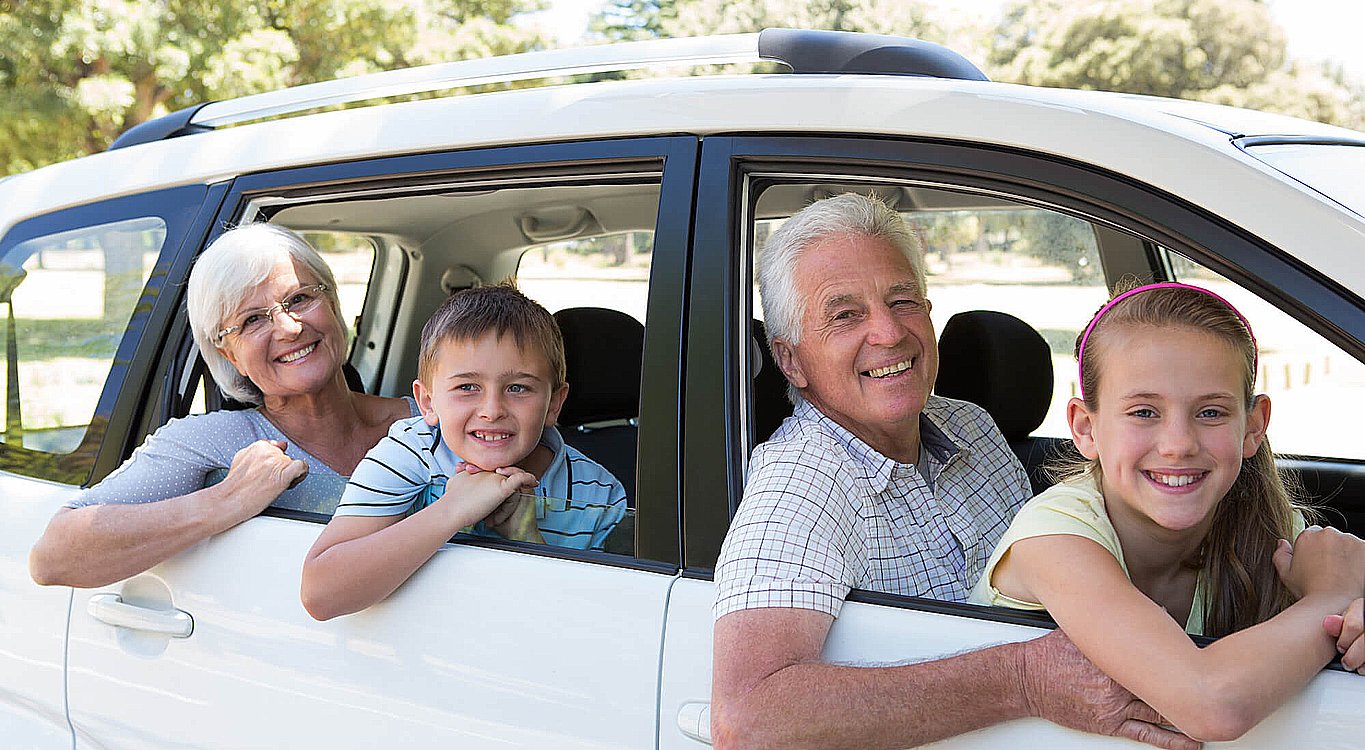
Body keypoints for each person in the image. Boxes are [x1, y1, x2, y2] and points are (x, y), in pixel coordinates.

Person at [711, 193, 1198, 750]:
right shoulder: (801, 487)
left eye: (903, 301)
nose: (889, 333)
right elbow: (748, 719)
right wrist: (1025, 681)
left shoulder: (973, 428)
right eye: (846, 315)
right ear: (792, 360)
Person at [969, 281, 1365, 739]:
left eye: (1211, 413)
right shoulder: (1053, 537)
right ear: (1085, 427)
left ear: (1253, 427)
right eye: (1143, 412)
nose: (1178, 445)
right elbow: (1212, 706)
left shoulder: (1268, 529)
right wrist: (1331, 598)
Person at [28, 222, 417, 588]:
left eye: (299, 299)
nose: (288, 328)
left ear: (333, 302)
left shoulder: (431, 419)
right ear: (229, 355)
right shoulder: (214, 441)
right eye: (251, 322)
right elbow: (53, 557)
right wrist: (227, 501)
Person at [300, 282, 627, 621]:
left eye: (518, 388)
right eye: (467, 387)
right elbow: (320, 594)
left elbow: (596, 627)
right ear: (427, 402)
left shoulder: (599, 494)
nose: (492, 409)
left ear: (553, 405)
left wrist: (527, 539)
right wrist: (453, 510)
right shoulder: (411, 454)